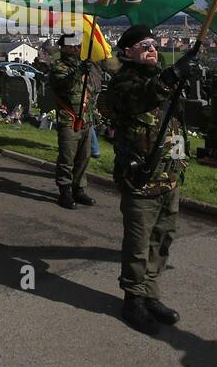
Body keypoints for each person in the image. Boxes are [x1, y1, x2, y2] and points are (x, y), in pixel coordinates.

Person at [97, 24, 197, 336]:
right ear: (127, 52)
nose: (152, 49)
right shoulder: (124, 82)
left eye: (154, 45)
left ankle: (151, 294)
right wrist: (173, 75)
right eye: (144, 46)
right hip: (140, 178)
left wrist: (185, 71)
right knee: (138, 244)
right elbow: (138, 100)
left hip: (169, 176)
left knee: (162, 239)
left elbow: (174, 123)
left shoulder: (163, 80)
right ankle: (133, 300)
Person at [49, 32, 100, 209]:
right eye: (72, 46)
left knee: (83, 157)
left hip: (85, 119)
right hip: (69, 119)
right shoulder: (59, 67)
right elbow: (66, 85)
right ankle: (64, 191)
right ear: (64, 48)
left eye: (78, 46)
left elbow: (92, 92)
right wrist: (79, 71)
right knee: (67, 158)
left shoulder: (83, 67)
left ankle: (79, 189)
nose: (76, 49)